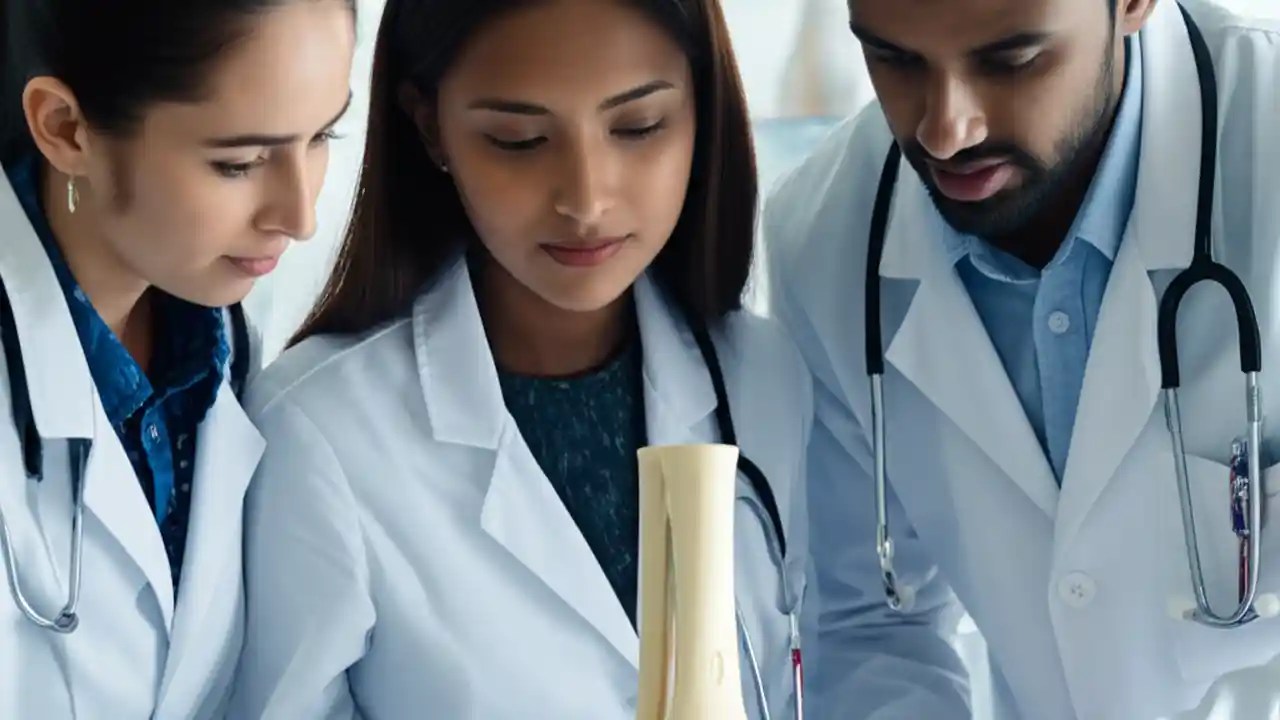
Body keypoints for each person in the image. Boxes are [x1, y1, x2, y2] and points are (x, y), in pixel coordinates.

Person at [230, 0, 811, 717]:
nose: (587, 200)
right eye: (519, 139)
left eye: (638, 127)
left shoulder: (763, 375)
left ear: (702, 109)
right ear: (431, 127)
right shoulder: (321, 431)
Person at [761, 0, 1280, 717]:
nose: (945, 130)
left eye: (1012, 61)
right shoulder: (821, 238)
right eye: (895, 59)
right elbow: (870, 627)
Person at [0, 0, 355, 716]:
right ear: (66, 130)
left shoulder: (239, 343)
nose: (300, 214)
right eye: (240, 163)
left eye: (323, 135)